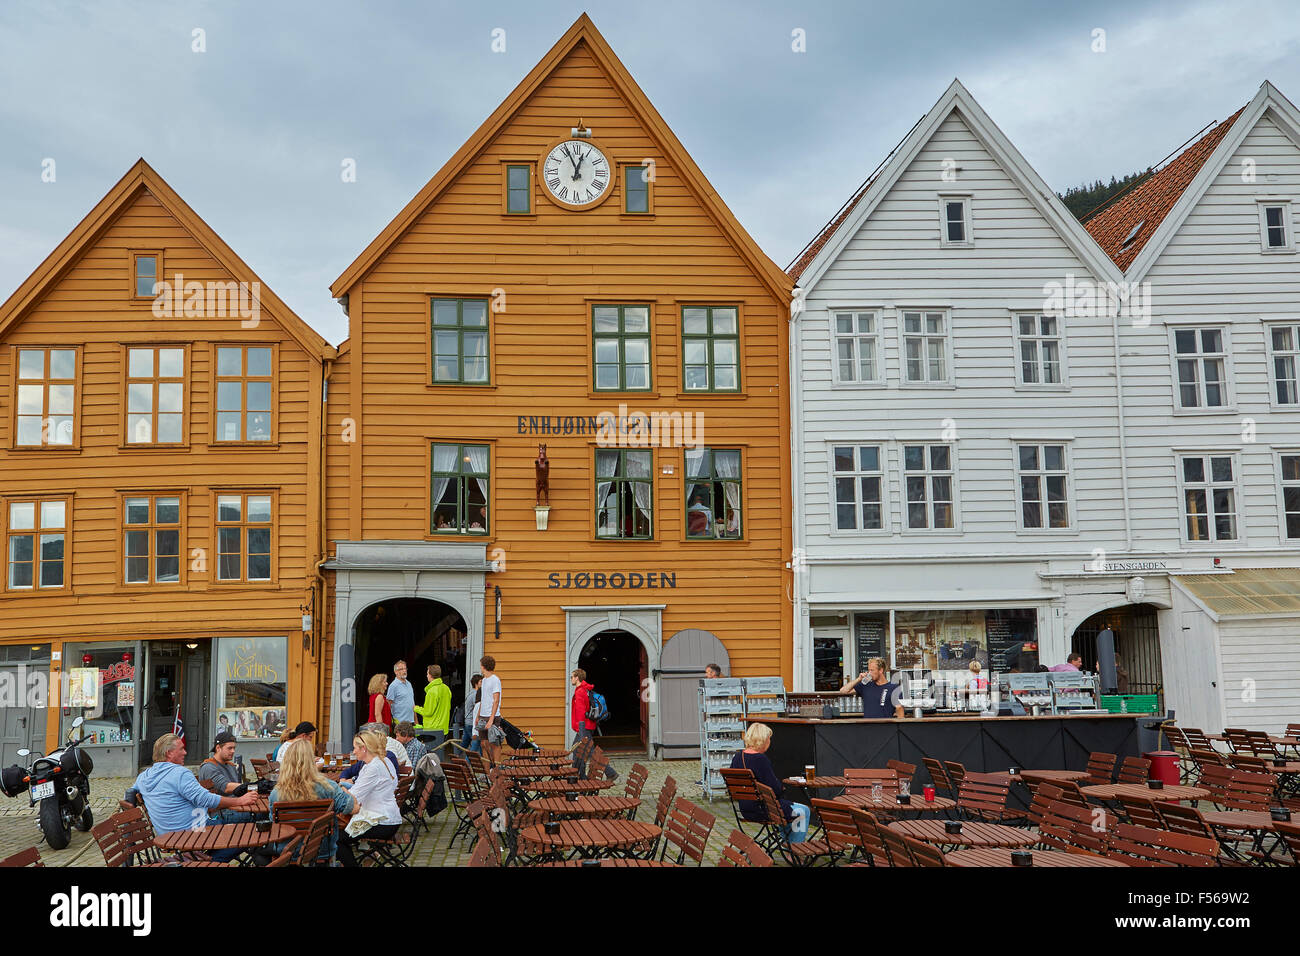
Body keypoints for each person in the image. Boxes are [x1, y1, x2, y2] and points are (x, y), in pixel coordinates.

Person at [132, 733, 259, 862]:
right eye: (181, 749)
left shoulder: (144, 776)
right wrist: (240, 800)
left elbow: (131, 791)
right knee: (250, 834)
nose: (185, 752)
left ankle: (199, 858)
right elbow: (206, 799)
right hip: (195, 830)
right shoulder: (180, 773)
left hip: (168, 835)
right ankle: (209, 862)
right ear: (169, 753)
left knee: (239, 828)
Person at [265, 738, 356, 864]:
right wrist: (343, 788)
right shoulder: (328, 787)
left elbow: (273, 825)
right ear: (311, 762)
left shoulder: (276, 793)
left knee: (258, 851)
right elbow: (351, 807)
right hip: (323, 850)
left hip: (288, 851)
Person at [729, 723, 809, 843]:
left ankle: (788, 845)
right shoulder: (761, 759)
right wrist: (782, 788)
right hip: (764, 810)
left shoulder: (737, 757)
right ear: (763, 740)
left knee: (786, 810)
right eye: (768, 738)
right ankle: (795, 850)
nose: (769, 742)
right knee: (803, 811)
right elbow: (774, 789)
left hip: (746, 809)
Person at [336, 730, 402, 867]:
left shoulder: (373, 767)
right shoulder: (384, 760)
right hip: (389, 817)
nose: (354, 752)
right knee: (338, 835)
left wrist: (340, 788)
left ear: (364, 748)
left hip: (383, 821)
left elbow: (352, 797)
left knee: (336, 839)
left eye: (355, 748)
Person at [570, 669, 618, 781]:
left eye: (572, 677)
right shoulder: (585, 690)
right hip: (586, 727)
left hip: (584, 728)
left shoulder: (580, 692)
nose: (571, 679)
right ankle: (578, 776)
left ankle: (611, 773)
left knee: (590, 753)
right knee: (577, 752)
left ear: (577, 678)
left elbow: (581, 713)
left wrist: (582, 733)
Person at [838, 657, 904, 718]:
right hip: (867, 727)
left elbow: (899, 709)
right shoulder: (865, 685)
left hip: (886, 727)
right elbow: (843, 691)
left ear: (881, 670)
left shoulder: (893, 687)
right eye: (868, 670)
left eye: (872, 670)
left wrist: (899, 726)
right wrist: (859, 679)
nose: (869, 673)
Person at [412, 664, 451, 751]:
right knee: (439, 754)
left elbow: (428, 712)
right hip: (443, 727)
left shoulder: (432, 691)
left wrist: (416, 708)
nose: (426, 675)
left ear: (430, 675)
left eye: (427, 673)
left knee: (431, 755)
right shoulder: (446, 688)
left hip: (432, 729)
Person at [475, 655, 503, 766]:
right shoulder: (485, 681)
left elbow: (496, 700)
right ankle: (487, 771)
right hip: (483, 715)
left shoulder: (495, 680)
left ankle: (496, 770)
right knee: (483, 743)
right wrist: (478, 715)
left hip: (493, 716)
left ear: (484, 666)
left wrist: (491, 719)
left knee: (494, 744)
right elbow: (483, 699)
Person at [386, 660, 416, 726]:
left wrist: (416, 721)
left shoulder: (409, 684)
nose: (404, 671)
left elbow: (412, 703)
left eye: (405, 668)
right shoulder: (393, 686)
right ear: (395, 672)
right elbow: (388, 705)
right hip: (400, 723)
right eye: (401, 669)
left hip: (411, 722)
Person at [461, 674, 481, 754]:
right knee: (476, 745)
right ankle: (468, 763)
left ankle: (456, 757)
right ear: (476, 683)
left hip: (467, 722)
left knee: (464, 744)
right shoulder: (475, 695)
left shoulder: (470, 693)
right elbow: (478, 707)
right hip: (472, 723)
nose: (482, 683)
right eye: (481, 681)